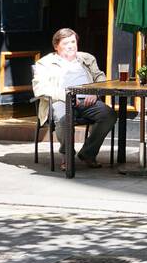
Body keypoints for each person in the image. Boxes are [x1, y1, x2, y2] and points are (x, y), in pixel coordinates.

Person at [32, 28, 115, 170]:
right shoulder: (44, 63)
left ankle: (88, 153)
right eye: (66, 43)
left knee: (108, 114)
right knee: (64, 118)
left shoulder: (86, 58)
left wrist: (94, 92)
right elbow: (40, 89)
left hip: (87, 101)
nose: (71, 45)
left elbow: (100, 77)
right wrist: (66, 96)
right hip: (60, 101)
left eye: (73, 41)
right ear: (56, 46)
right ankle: (67, 156)